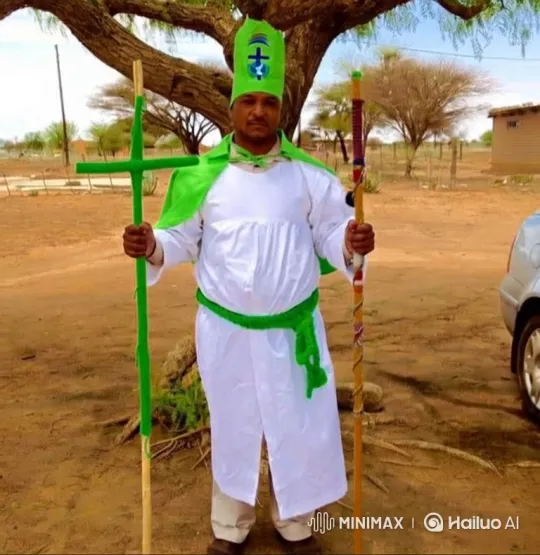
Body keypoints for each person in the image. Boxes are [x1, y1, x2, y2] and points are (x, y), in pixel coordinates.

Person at [123, 16, 375, 555]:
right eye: (248, 101)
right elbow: (179, 238)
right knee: (235, 424)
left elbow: (331, 237)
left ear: (281, 111)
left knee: (297, 424)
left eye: (269, 101)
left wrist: (352, 241)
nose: (258, 111)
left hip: (293, 332)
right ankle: (230, 528)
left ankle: (295, 525)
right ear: (233, 108)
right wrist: (152, 245)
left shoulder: (309, 177)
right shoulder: (202, 177)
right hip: (226, 333)